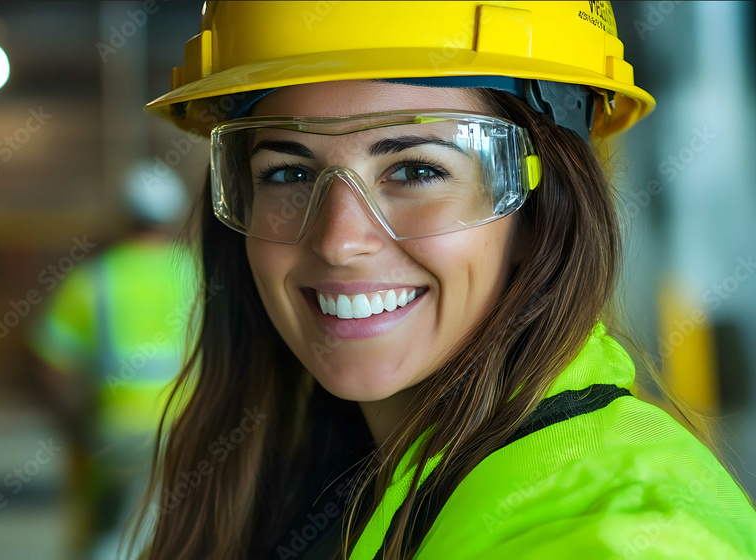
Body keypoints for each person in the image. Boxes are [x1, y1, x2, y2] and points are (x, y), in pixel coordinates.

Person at [126, 2, 756, 559]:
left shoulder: (619, 534)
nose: (339, 241)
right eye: (288, 175)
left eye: (417, 171)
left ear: (542, 209)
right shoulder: (321, 481)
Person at [27, 159, 199, 560]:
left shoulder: (94, 279)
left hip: (117, 434)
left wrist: (76, 421)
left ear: (124, 216)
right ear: (173, 217)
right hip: (193, 430)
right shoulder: (200, 274)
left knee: (111, 534)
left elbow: (51, 362)